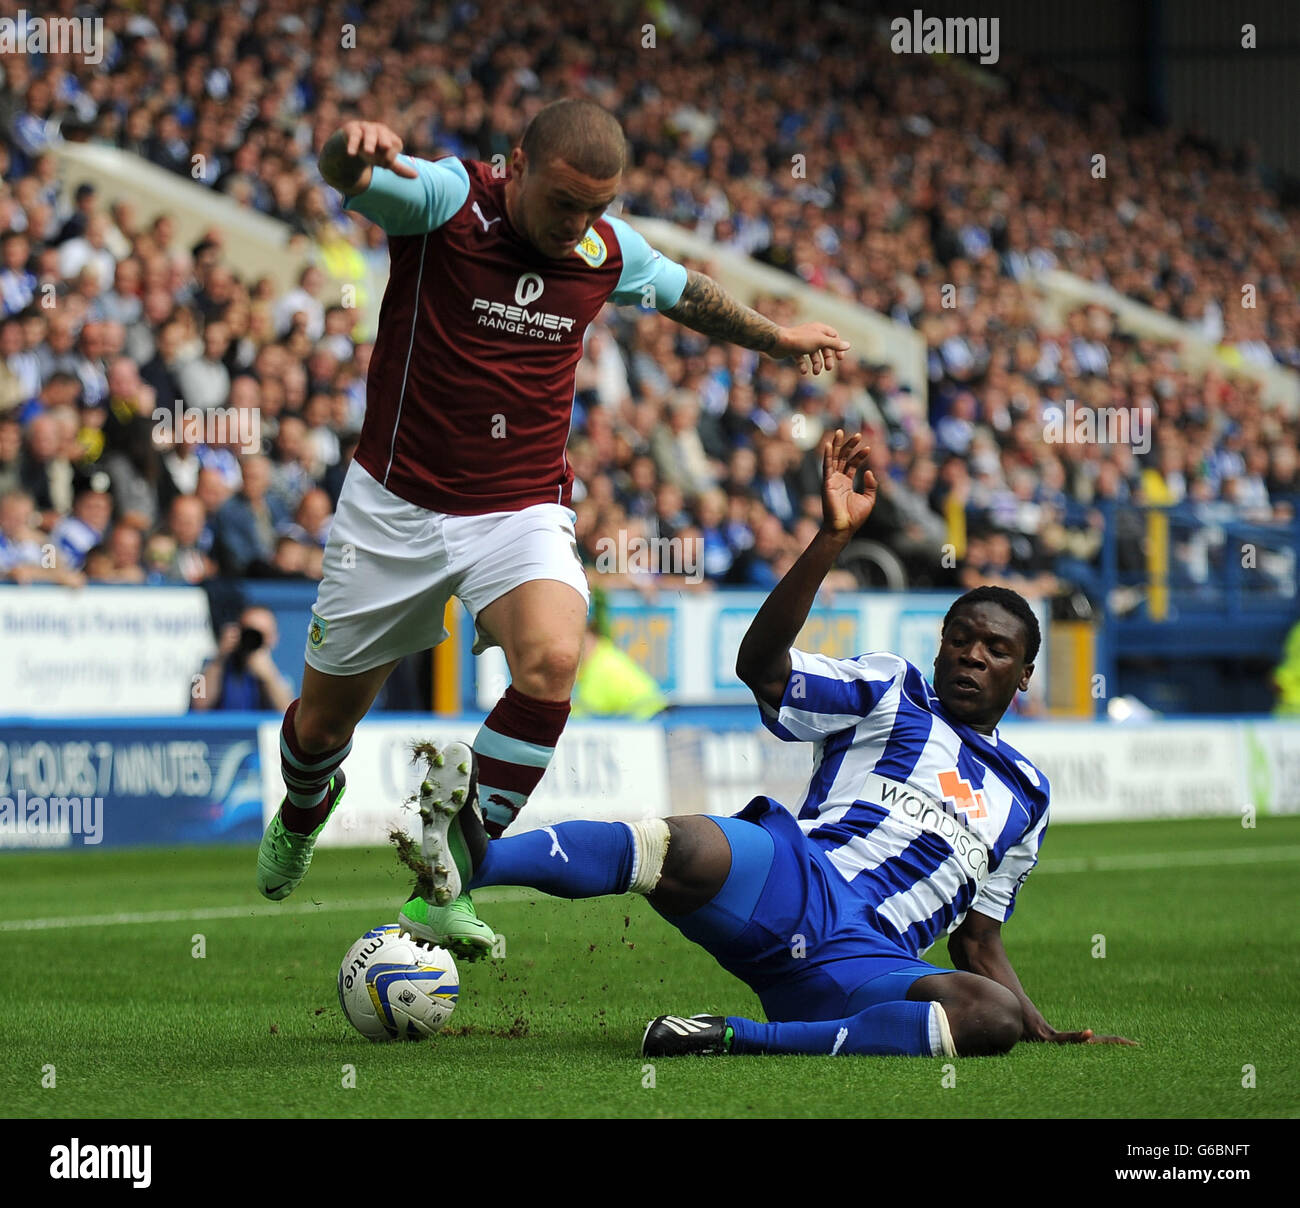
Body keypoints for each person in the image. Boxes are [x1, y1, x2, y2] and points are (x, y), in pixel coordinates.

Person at [256, 99, 851, 961]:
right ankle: (305, 807)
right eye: (565, 202)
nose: (579, 225)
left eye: (597, 209)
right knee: (319, 729)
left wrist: (778, 339)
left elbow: (690, 294)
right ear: (516, 164)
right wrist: (347, 153)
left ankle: (444, 885)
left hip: (519, 508)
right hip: (393, 509)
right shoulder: (447, 203)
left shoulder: (604, 251)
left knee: (554, 660)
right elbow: (348, 178)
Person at [401, 431, 1136, 1057]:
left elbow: (977, 943)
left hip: (871, 963)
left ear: (1025, 672)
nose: (974, 656)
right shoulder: (891, 690)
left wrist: (1037, 1026)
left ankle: (738, 1038)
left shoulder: (1029, 797)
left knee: (989, 1017)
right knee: (681, 843)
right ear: (939, 647)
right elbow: (760, 668)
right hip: (796, 879)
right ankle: (478, 860)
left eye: (995, 649)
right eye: (961, 639)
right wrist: (832, 539)